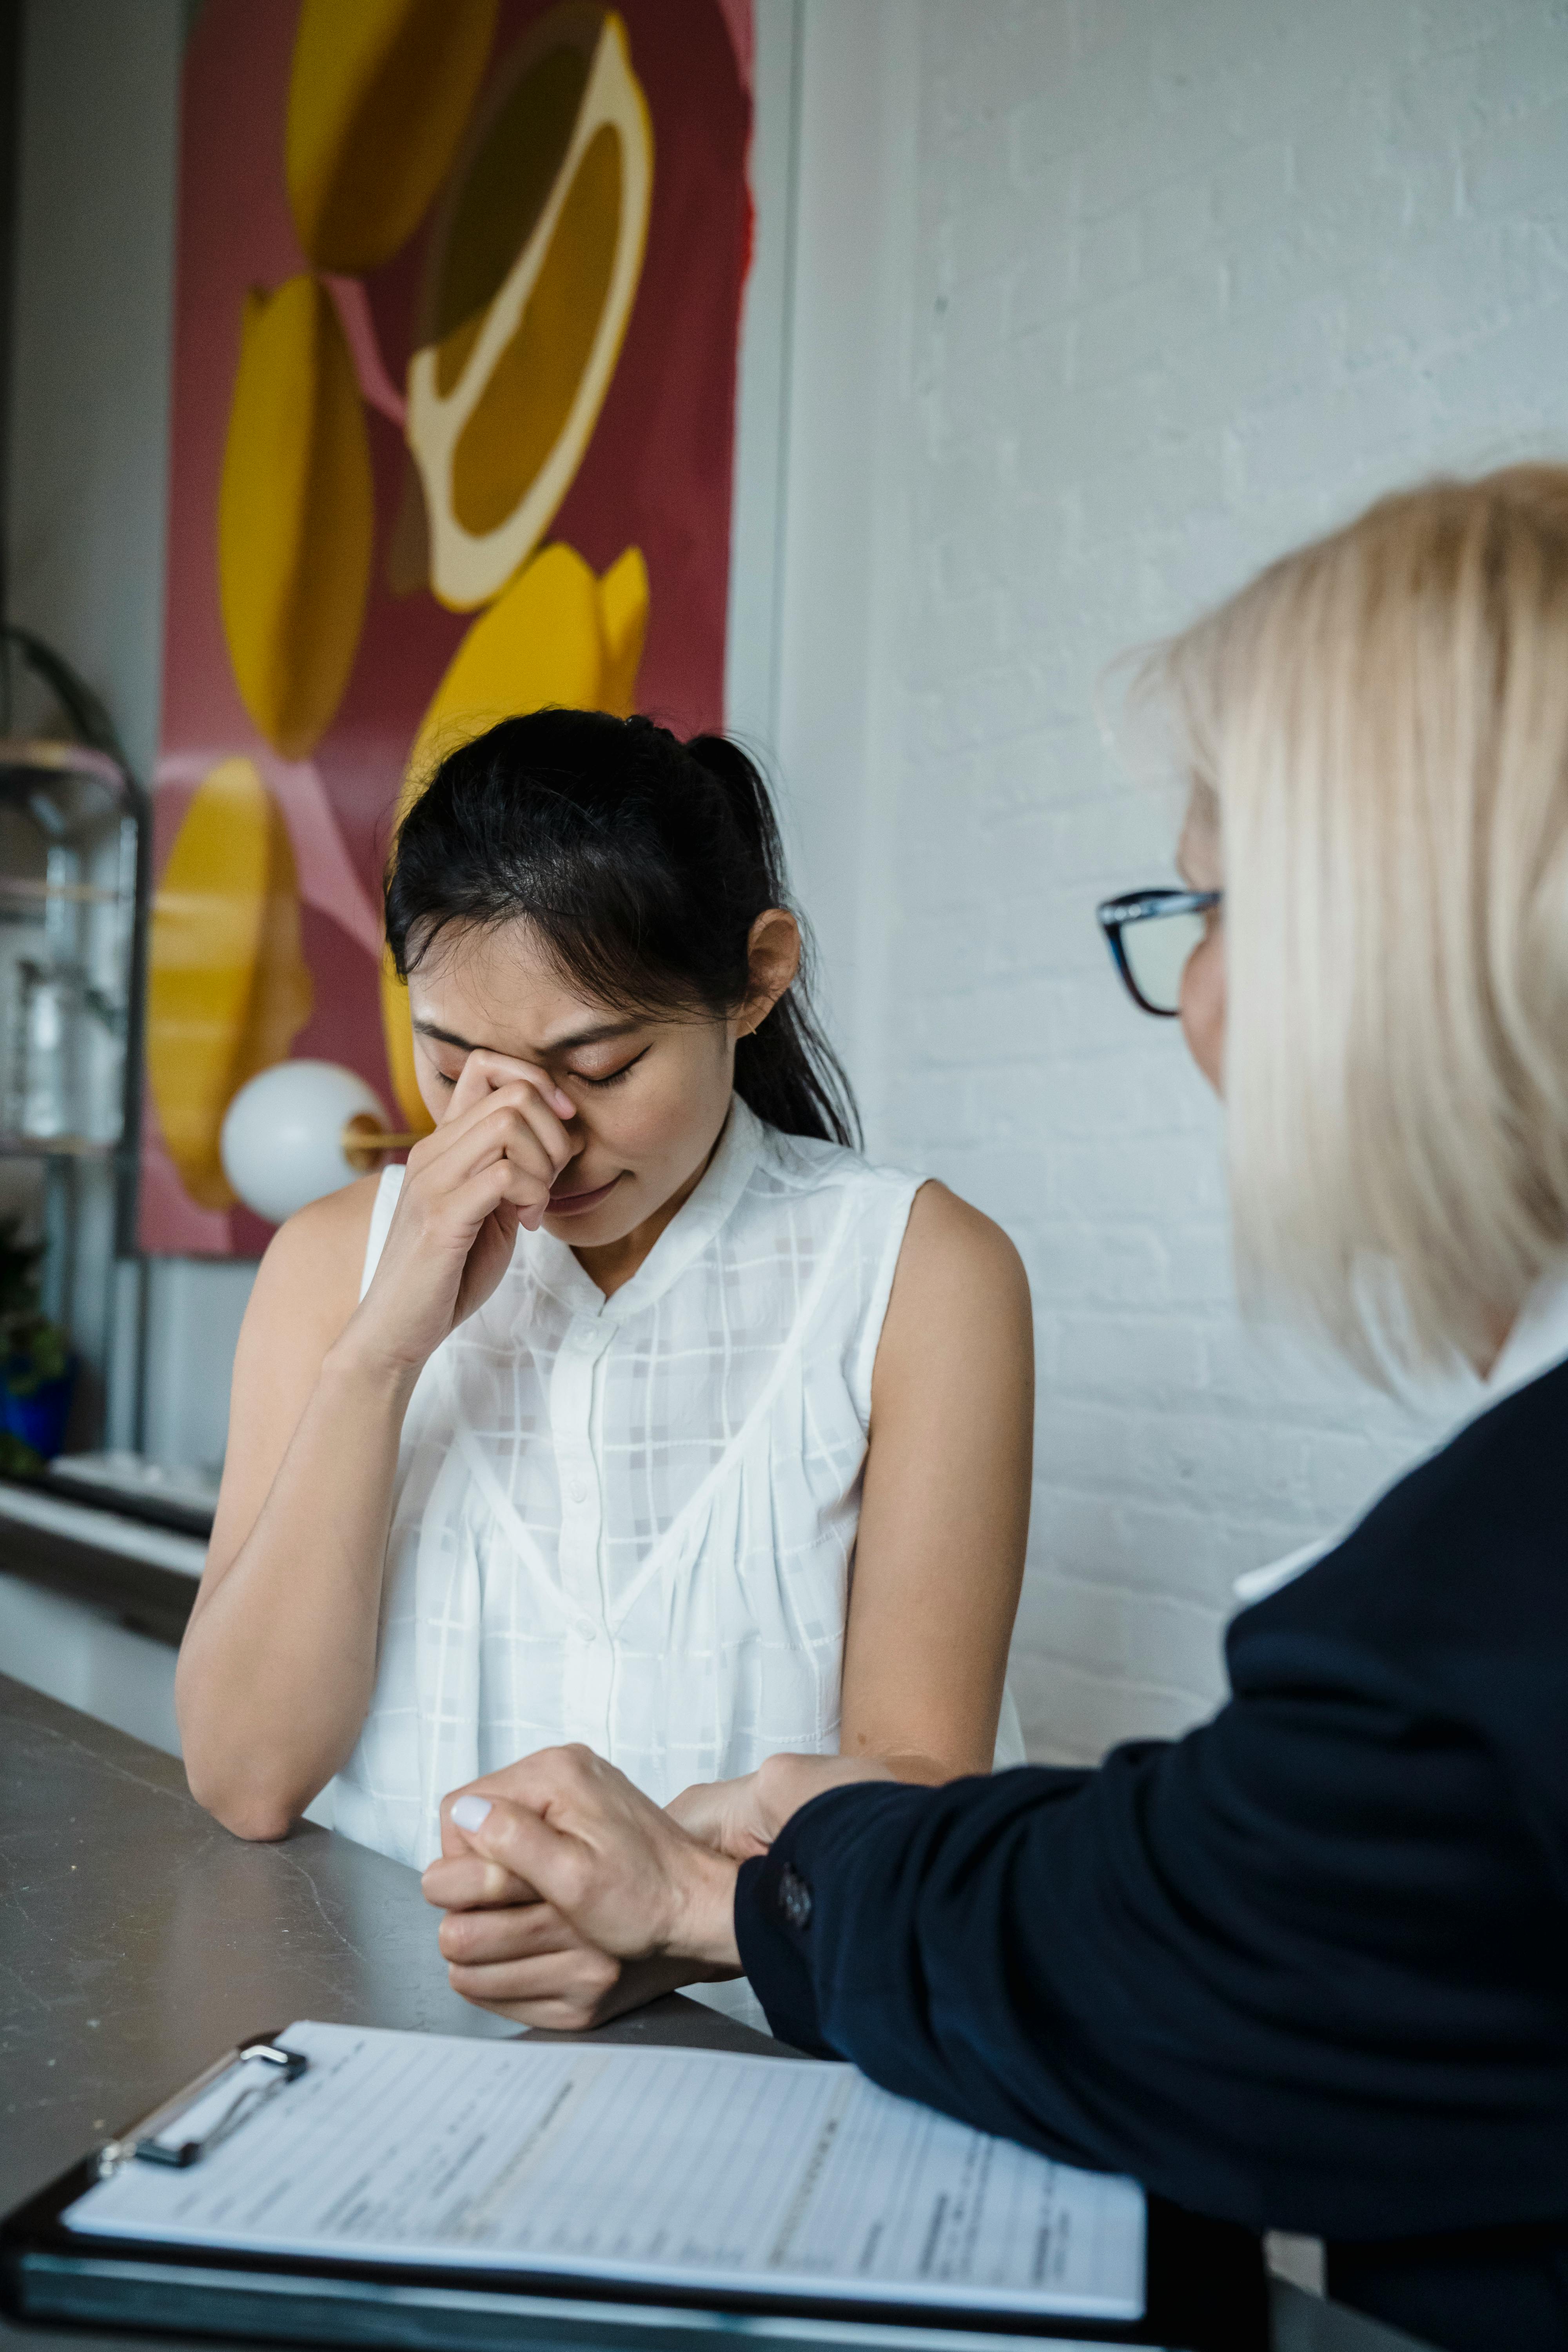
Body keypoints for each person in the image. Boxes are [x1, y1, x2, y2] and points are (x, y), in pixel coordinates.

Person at [423, 470, 1568, 2352]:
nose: (1196, 998)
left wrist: (739, 1889)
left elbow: (1215, 1949)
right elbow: (1238, 1867)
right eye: (457, 1059)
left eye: (1209, 905)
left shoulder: (925, 1265)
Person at [177, 710, 1032, 2028]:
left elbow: (920, 1800)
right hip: (390, 2049)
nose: (531, 1138)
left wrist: (676, 1922)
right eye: (457, 1068)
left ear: (756, 980)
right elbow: (247, 1779)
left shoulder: (917, 1273)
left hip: (771, 2061)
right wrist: (383, 1348)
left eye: (603, 1065)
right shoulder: (329, 1265)